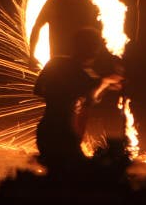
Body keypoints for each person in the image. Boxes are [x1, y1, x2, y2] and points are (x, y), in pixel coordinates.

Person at [33, 27, 123, 177]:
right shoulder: (86, 76)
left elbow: (37, 90)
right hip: (64, 137)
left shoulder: (54, 63)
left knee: (56, 176)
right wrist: (104, 83)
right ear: (92, 51)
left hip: (45, 133)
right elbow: (90, 100)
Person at [28, 0, 101, 68]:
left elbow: (37, 27)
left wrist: (32, 55)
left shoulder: (54, 1)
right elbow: (97, 33)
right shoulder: (88, 3)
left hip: (60, 63)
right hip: (78, 64)